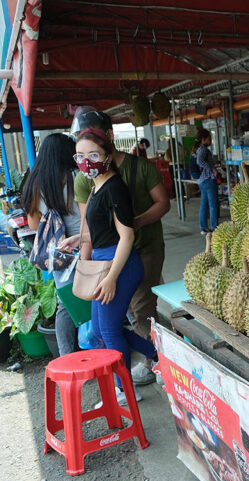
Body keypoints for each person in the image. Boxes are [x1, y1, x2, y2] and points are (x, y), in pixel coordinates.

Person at [71, 107, 170, 385]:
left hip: (125, 259)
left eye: (92, 155)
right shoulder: (92, 183)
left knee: (132, 319)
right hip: (107, 261)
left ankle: (123, 391)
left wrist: (112, 276)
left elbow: (126, 234)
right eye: (80, 156)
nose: (86, 162)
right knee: (101, 331)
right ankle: (160, 357)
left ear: (108, 148)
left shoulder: (116, 184)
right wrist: (84, 259)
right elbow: (90, 228)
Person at [20, 134, 80, 356]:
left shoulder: (36, 185)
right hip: (85, 245)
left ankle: (66, 356)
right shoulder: (77, 176)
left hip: (59, 253)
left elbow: (35, 225)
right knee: (97, 298)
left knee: (65, 304)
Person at [195, 128, 218, 234]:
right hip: (208, 180)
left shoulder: (199, 149)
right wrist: (211, 168)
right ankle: (214, 227)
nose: (211, 141)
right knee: (213, 205)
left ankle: (203, 227)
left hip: (202, 181)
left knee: (204, 204)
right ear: (203, 139)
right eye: (209, 138)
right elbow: (199, 161)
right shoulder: (203, 150)